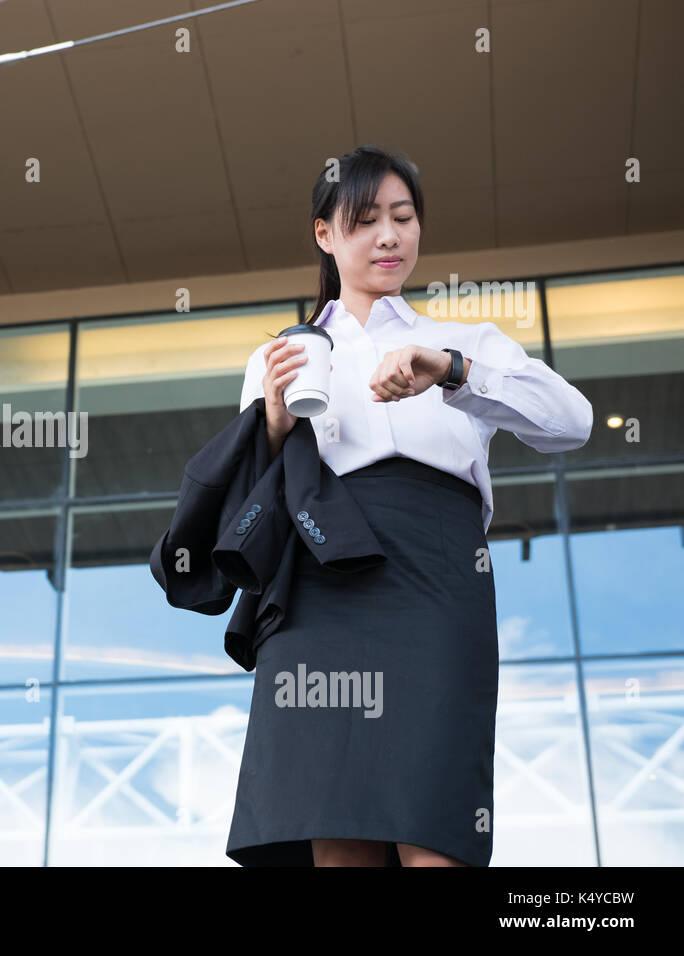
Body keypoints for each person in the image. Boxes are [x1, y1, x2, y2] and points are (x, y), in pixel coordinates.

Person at [228, 145, 593, 867]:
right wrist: (269, 422)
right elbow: (248, 504)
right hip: (318, 586)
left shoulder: (462, 340)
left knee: (435, 832)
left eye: (403, 217)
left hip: (436, 579)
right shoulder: (282, 355)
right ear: (324, 235)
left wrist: (452, 373)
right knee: (340, 840)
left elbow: (571, 422)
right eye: (364, 221)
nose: (389, 236)